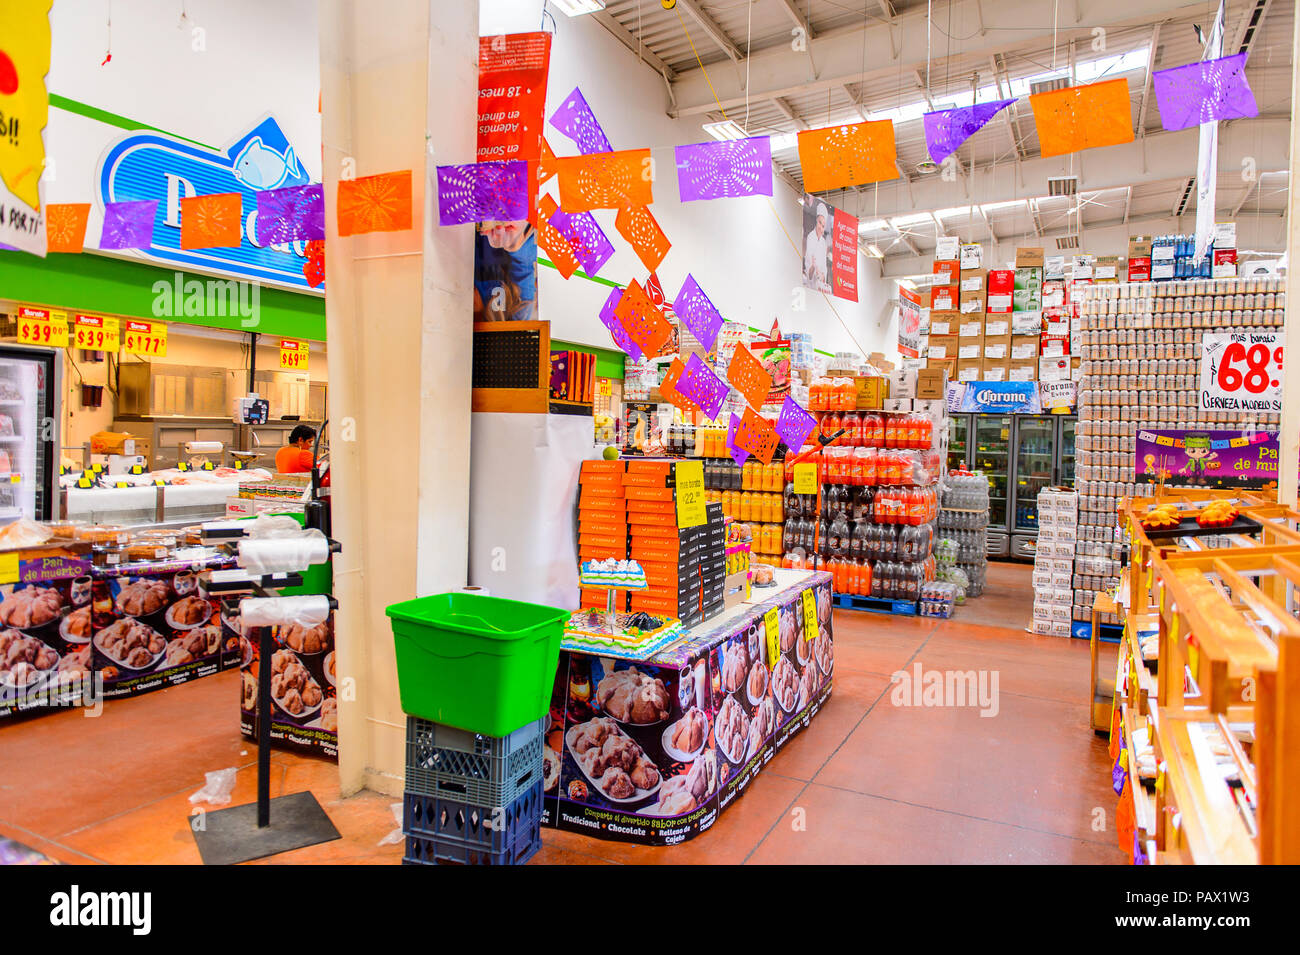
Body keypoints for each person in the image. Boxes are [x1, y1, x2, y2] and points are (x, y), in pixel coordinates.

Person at [803, 201, 831, 293]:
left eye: (823, 226)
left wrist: (822, 275)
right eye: (819, 223)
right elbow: (809, 273)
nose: (820, 228)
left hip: (820, 288)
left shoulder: (823, 243)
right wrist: (813, 268)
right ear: (816, 221)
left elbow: (824, 270)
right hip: (810, 287)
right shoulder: (811, 237)